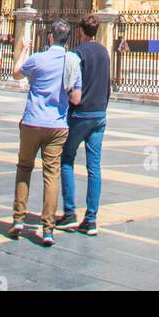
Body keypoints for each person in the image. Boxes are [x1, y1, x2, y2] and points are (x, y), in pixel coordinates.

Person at [10, 19, 82, 246]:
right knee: (52, 175)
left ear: (50, 36)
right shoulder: (73, 61)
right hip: (57, 125)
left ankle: (18, 219)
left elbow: (16, 74)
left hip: (32, 122)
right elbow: (76, 98)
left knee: (24, 168)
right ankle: (48, 228)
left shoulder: (38, 58)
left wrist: (24, 50)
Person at [57, 14, 111, 234]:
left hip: (80, 114)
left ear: (80, 32)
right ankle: (91, 219)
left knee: (67, 159)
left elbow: (71, 89)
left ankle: (69, 213)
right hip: (100, 114)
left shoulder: (76, 54)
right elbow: (108, 85)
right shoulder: (105, 52)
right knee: (94, 167)